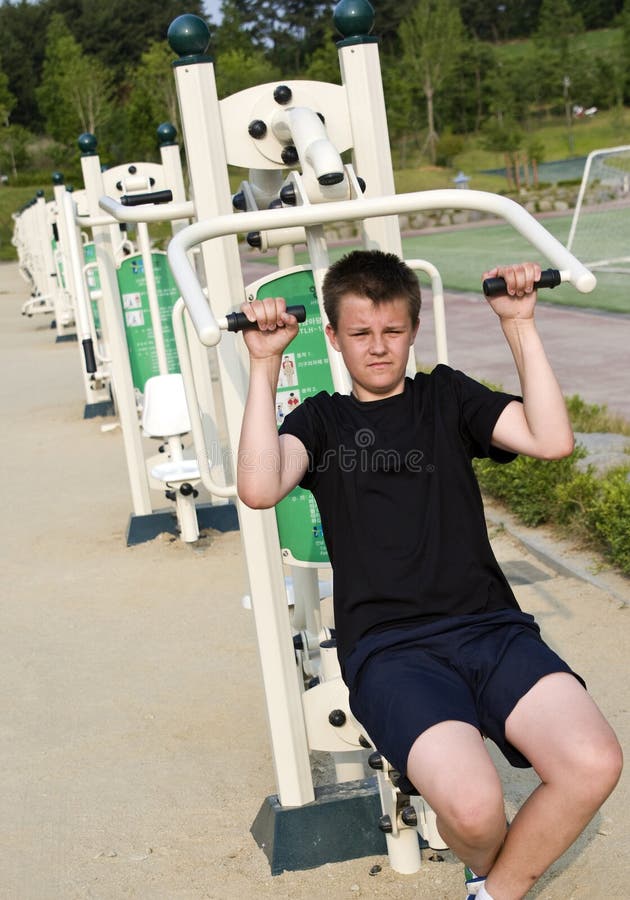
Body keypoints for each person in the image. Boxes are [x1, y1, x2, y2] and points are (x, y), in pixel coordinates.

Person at [236, 250, 622, 900]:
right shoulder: (322, 422)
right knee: (475, 814)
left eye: (392, 331)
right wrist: (264, 363)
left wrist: (519, 322)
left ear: (412, 329)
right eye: (360, 333)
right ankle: (489, 867)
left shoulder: (447, 395)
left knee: (593, 764)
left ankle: (492, 892)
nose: (378, 348)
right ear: (332, 336)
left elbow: (553, 439)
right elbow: (257, 486)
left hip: (492, 629)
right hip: (392, 650)